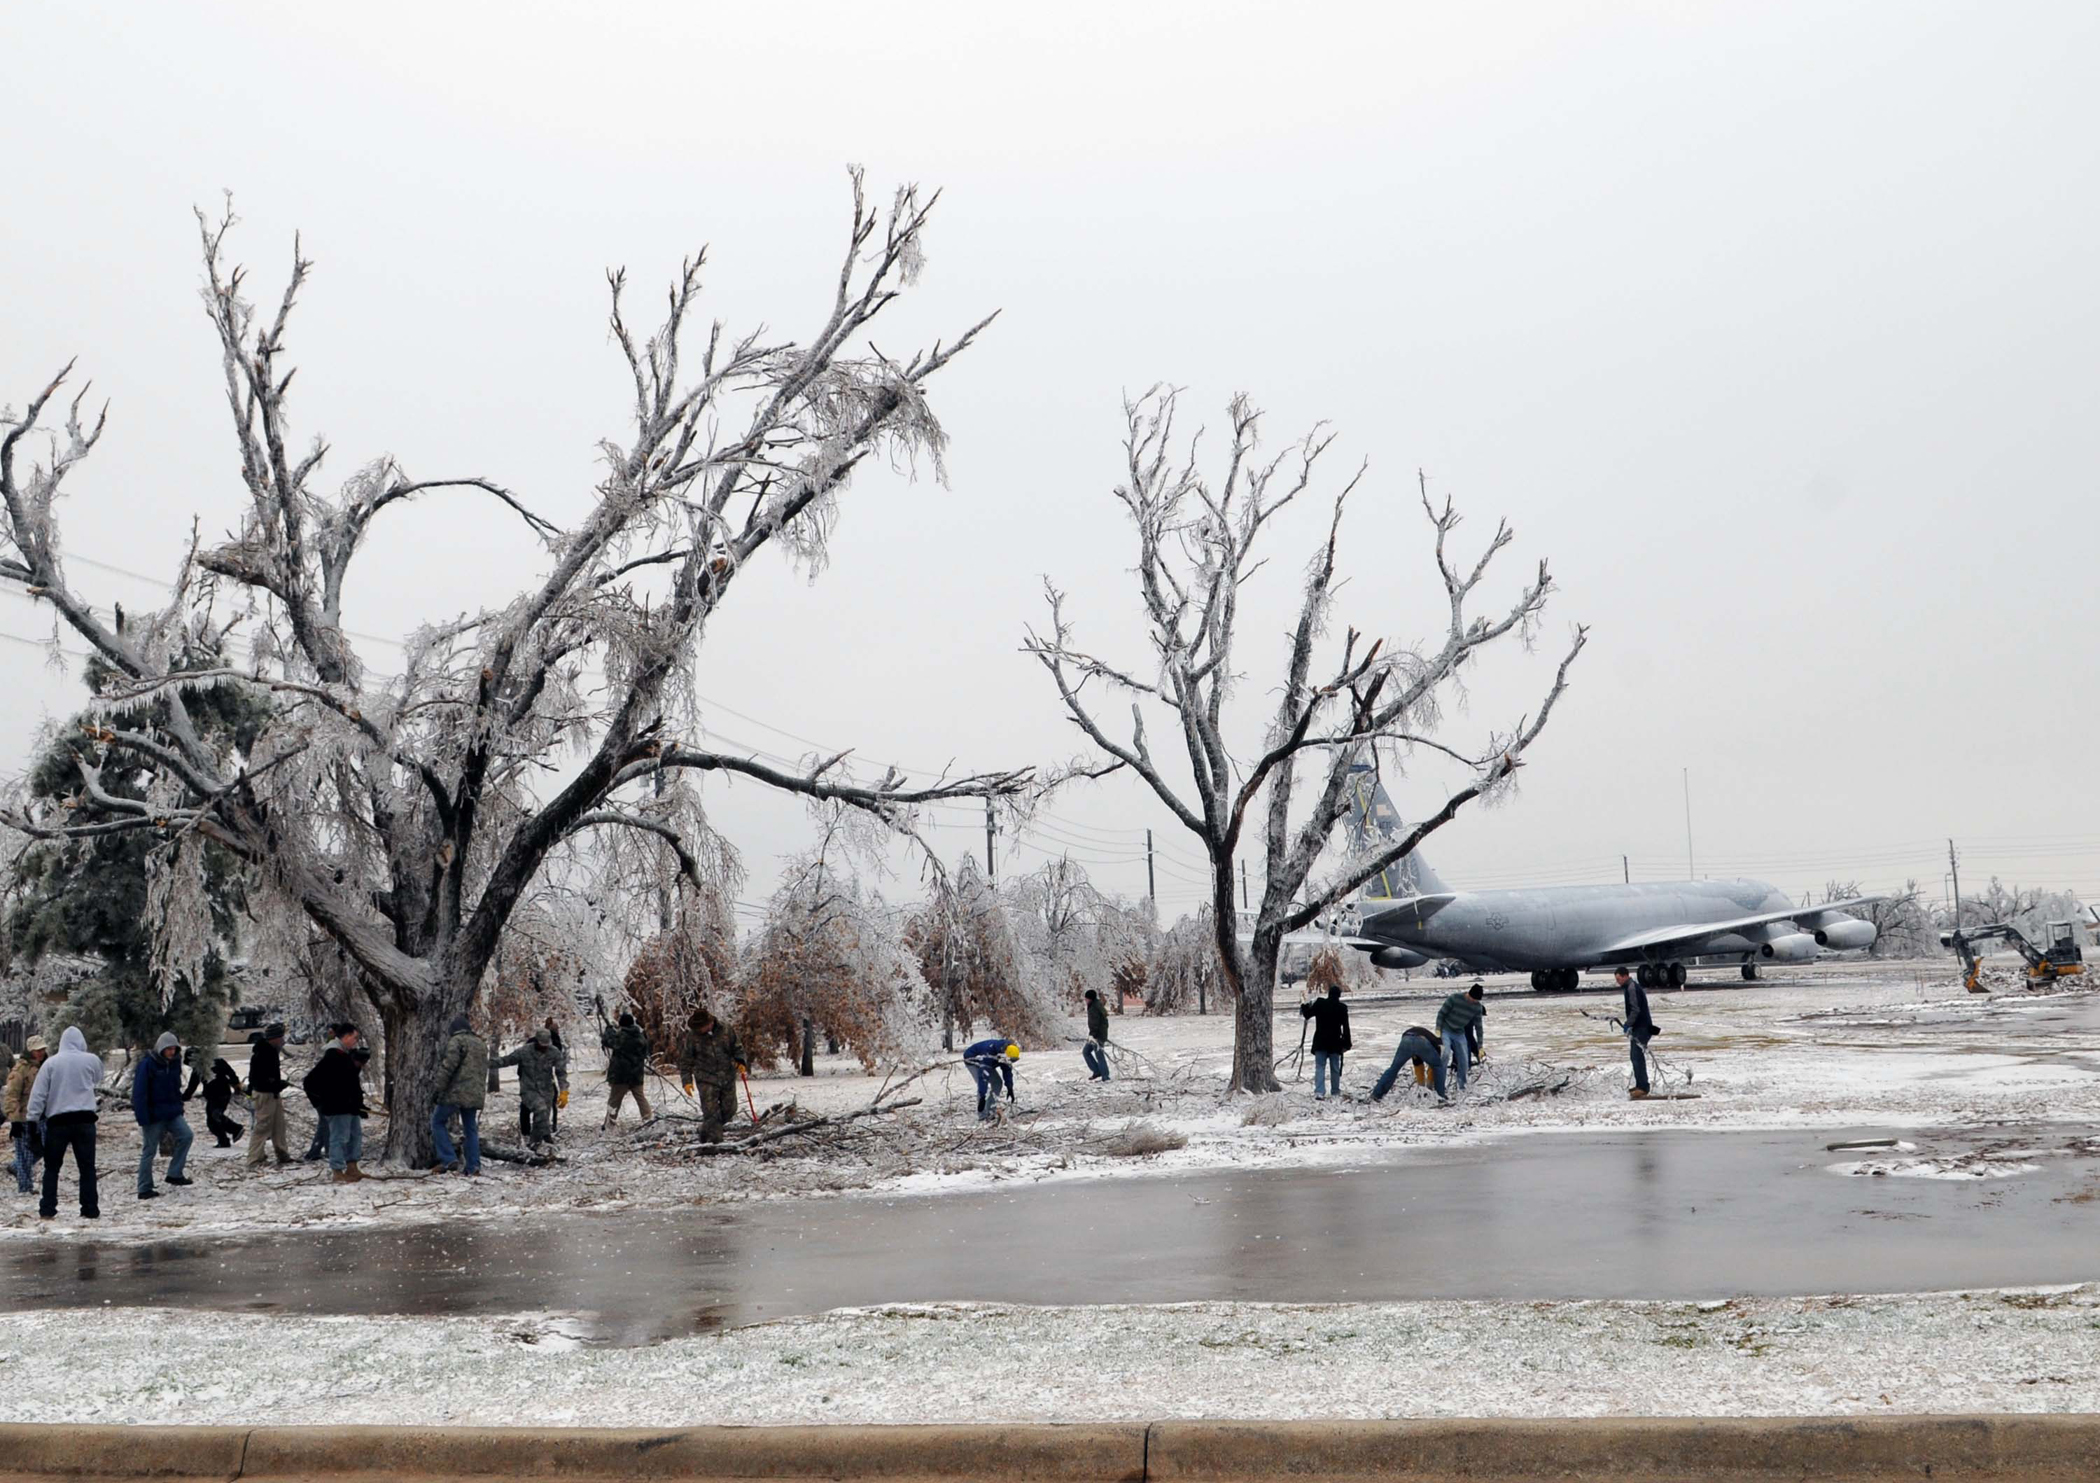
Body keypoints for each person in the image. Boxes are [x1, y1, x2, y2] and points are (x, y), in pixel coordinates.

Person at [27, 1026, 103, 1220]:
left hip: (58, 1122)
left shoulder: (51, 1064)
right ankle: (90, 1208)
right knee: (87, 1167)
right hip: (85, 1121)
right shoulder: (92, 1060)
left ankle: (47, 1208)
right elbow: (98, 1079)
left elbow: (39, 1094)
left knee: (52, 1168)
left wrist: (32, 1121)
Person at [131, 1032, 195, 1200]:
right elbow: (140, 1092)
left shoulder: (174, 1064)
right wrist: (142, 1116)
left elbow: (175, 1088)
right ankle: (144, 1187)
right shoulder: (147, 1065)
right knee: (149, 1151)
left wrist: (179, 1107)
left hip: (172, 1111)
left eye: (174, 1049)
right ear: (161, 1048)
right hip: (153, 1115)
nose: (172, 1052)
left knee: (187, 1135)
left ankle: (175, 1173)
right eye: (169, 1049)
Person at [302, 1023, 369, 1182]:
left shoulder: (345, 1056)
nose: (355, 1041)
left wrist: (359, 1103)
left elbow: (352, 1083)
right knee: (339, 1138)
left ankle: (352, 1167)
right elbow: (310, 1082)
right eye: (354, 1038)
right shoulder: (333, 1056)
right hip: (338, 1107)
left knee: (355, 1136)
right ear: (345, 1037)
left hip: (351, 1107)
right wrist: (322, 1103)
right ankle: (337, 1171)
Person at [677, 1007, 745, 1145]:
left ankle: (705, 1129)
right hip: (705, 1079)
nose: (699, 1030)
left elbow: (737, 1047)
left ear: (710, 1023)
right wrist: (686, 1081)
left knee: (730, 1109)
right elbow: (686, 1060)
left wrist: (740, 1061)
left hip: (727, 1076)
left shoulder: (726, 1030)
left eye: (701, 1026)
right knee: (711, 1112)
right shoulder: (692, 1037)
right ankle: (715, 1143)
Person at [496, 1026, 570, 1153]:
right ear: (536, 1041)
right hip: (529, 1089)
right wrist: (484, 1063)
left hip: (547, 1091)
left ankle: (539, 1143)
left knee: (542, 1118)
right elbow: (506, 1061)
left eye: (546, 1045)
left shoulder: (554, 1052)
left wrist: (564, 1091)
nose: (544, 1048)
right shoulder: (524, 1051)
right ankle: (541, 1142)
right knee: (540, 1109)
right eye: (542, 1045)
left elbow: (561, 1072)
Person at [432, 1013, 488, 1175]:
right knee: (471, 1129)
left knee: (437, 1122)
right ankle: (473, 1166)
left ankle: (448, 1158)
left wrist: (438, 1089)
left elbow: (448, 1067)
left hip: (455, 1093)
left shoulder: (456, 1042)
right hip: (475, 1094)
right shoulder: (480, 1043)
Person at [244, 1022, 292, 1167]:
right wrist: (277, 1085)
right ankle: (254, 1159)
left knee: (279, 1125)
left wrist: (277, 1085)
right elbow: (259, 1079)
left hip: (272, 1093)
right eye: (281, 1037)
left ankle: (282, 1154)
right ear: (274, 1038)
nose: (283, 1040)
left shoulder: (271, 1051)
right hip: (264, 1094)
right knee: (262, 1128)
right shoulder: (263, 1054)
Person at [6, 1036, 48, 1194]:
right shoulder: (20, 1070)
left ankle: (16, 1167)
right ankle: (25, 1188)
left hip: (43, 1117)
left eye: (43, 1050)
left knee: (44, 1149)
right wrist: (14, 1121)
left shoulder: (47, 1066)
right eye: (38, 1050)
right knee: (24, 1153)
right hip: (24, 1118)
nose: (41, 1053)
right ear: (30, 1051)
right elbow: (11, 1096)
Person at [1299, 983, 1353, 1100]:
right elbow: (1346, 1028)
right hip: (1335, 1043)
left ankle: (1319, 1091)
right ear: (1339, 996)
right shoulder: (1342, 1008)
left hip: (1320, 1042)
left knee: (1320, 1067)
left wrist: (1304, 1006)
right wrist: (1347, 1044)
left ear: (1329, 994)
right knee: (1335, 1068)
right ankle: (1335, 1091)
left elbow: (1307, 1014)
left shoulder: (1320, 1004)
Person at [600, 1011, 653, 1127]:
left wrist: (608, 1030)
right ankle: (649, 1121)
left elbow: (607, 1042)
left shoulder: (621, 1036)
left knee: (614, 1101)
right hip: (637, 1075)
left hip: (621, 1076)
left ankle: (608, 1125)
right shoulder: (640, 1036)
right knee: (641, 1098)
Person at [1369, 1025, 1448, 1103]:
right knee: (1438, 1067)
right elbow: (1433, 1068)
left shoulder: (1429, 1036)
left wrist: (1421, 1087)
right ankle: (1440, 1097)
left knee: (1394, 1068)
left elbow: (1417, 1064)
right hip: (1421, 1040)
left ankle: (1376, 1095)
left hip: (1406, 1039)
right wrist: (1429, 1087)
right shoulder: (1438, 1044)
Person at [184, 1055, 246, 1148]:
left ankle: (235, 1128)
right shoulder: (202, 1067)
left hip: (222, 1094)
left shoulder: (214, 1063)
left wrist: (236, 1085)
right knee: (211, 1121)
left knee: (216, 1115)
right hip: (213, 1096)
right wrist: (185, 1096)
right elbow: (193, 1084)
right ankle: (223, 1140)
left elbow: (231, 1073)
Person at [1615, 966, 1658, 1099]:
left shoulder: (1632, 988)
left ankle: (1643, 1087)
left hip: (1642, 1028)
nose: (1618, 982)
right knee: (1635, 1057)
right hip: (1639, 1027)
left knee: (1637, 1056)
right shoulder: (1630, 987)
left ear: (1625, 976)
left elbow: (1635, 1010)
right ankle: (1641, 1085)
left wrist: (1628, 1024)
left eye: (1618, 978)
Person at [1436, 983, 1487, 1091]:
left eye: (1476, 1000)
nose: (1474, 1002)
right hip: (1446, 1030)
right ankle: (1440, 1085)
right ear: (1469, 994)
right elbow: (1441, 1014)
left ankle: (1462, 1087)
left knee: (1464, 1059)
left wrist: (1480, 1047)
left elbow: (1478, 1028)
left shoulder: (1477, 1007)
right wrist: (1438, 1029)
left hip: (1459, 1033)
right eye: (1473, 999)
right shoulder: (1454, 999)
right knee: (1445, 1054)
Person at [962, 1036, 1019, 1121]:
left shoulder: (1005, 1053)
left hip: (989, 1063)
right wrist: (982, 1097)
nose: (1010, 1063)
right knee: (983, 1086)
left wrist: (1010, 1088)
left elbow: (1007, 1071)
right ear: (1004, 1055)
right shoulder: (988, 1054)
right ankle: (982, 1115)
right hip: (973, 1061)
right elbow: (983, 1077)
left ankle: (991, 1111)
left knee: (997, 1083)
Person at [1081, 990, 1112, 1082]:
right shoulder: (1094, 1005)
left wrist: (1093, 1035)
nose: (1085, 1000)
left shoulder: (1094, 1007)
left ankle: (1105, 1076)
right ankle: (1097, 1071)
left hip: (1097, 1035)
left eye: (1086, 998)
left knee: (1099, 1055)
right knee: (1086, 1052)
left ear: (1090, 998)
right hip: (1097, 1034)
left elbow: (1095, 1023)